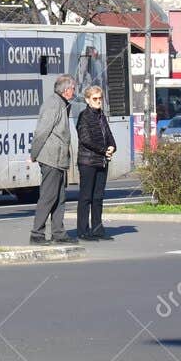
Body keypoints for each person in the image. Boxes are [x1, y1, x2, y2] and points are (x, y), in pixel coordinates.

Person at [28, 74, 76, 244]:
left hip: (59, 159)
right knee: (48, 197)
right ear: (66, 90)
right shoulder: (53, 104)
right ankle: (37, 234)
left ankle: (58, 233)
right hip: (51, 158)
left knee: (60, 197)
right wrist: (34, 154)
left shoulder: (61, 103)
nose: (74, 92)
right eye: (73, 89)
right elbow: (42, 131)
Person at [75, 84, 116, 242]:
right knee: (86, 197)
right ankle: (83, 230)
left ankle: (98, 229)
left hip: (101, 161)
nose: (98, 101)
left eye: (100, 98)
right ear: (87, 100)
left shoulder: (101, 116)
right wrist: (103, 150)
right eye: (95, 99)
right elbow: (85, 139)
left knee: (98, 196)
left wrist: (112, 146)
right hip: (87, 161)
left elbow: (109, 135)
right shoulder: (84, 116)